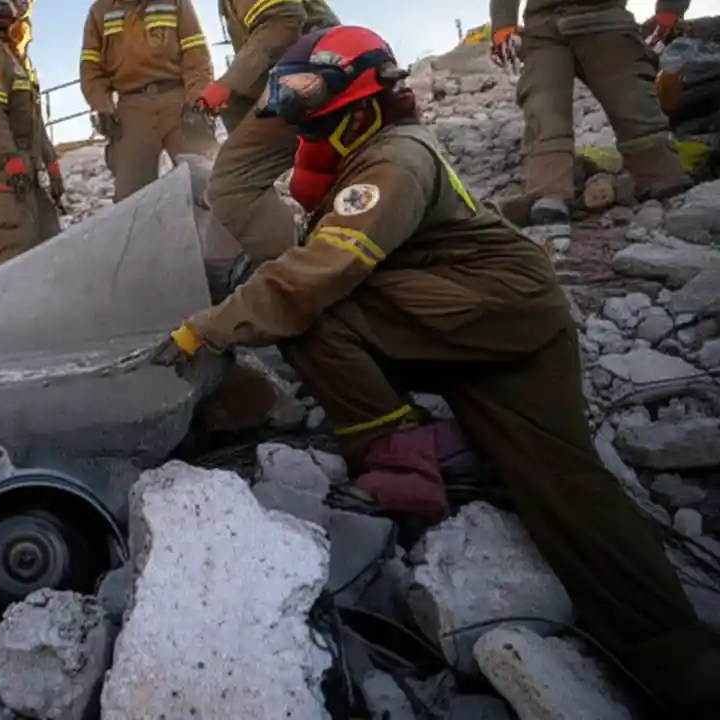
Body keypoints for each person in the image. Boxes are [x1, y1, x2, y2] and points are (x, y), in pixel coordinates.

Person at [151, 25, 718, 716]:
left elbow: (319, 274)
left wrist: (202, 331)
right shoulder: (368, 153)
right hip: (459, 316)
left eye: (311, 107)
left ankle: (677, 657)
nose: (301, 126)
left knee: (563, 486)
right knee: (533, 471)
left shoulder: (391, 160)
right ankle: (419, 444)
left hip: (495, 310)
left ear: (361, 104)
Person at [490, 0, 694, 226]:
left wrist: (670, 9)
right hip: (542, 31)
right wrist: (503, 25)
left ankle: (658, 173)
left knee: (631, 99)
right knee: (543, 103)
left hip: (604, 19)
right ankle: (549, 191)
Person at [203, 0, 339, 263]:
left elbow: (282, 22)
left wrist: (227, 84)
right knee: (234, 107)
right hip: (315, 69)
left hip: (313, 77)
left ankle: (294, 278)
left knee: (231, 183)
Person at [79, 0, 218, 201]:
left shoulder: (177, 2)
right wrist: (102, 105)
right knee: (131, 197)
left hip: (178, 101)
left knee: (207, 182)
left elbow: (196, 54)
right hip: (131, 108)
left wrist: (198, 101)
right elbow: (90, 69)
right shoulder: (99, 12)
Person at [0, 0, 64, 270]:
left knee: (51, 241)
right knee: (13, 252)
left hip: (25, 173)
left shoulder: (21, 64)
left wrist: (52, 165)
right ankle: (0, 311)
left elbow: (36, 124)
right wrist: (10, 158)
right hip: (0, 173)